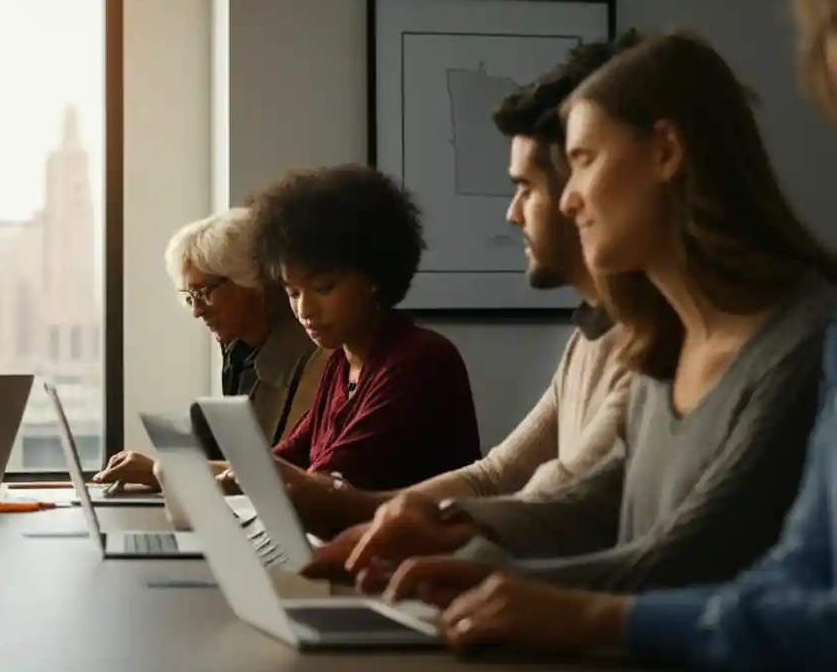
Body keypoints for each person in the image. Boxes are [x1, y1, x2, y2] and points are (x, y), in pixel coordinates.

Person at [340, 0, 837, 672]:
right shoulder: (661, 345)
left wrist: (505, 578)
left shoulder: (802, 343)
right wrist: (466, 546)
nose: (569, 199)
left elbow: (677, 561)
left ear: (666, 152)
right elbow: (596, 508)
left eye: (582, 161)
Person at [270, 36, 638, 531]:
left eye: (526, 188)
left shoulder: (419, 359)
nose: (510, 214)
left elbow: (555, 509)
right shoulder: (587, 341)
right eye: (293, 291)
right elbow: (495, 477)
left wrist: (361, 513)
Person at [247, 165, 482, 538]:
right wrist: (175, 470)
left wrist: (237, 473)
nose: (304, 310)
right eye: (293, 292)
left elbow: (326, 483)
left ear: (374, 277)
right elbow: (284, 459)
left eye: (323, 287)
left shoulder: (419, 361)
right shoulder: (341, 362)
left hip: (412, 569)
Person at [94, 208, 324, 488]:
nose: (197, 311)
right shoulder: (242, 356)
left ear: (250, 281)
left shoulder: (313, 358)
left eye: (204, 293)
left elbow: (286, 472)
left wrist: (163, 471)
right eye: (191, 297)